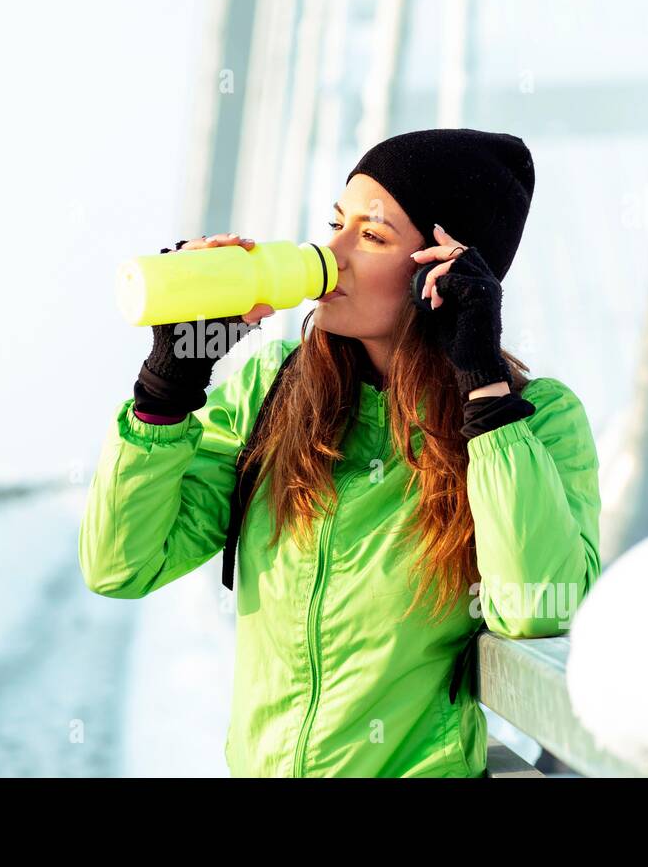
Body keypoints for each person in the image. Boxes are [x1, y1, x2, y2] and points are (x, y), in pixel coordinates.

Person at [79, 128, 601, 777]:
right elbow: (122, 566)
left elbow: (538, 606)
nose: (333, 253)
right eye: (336, 224)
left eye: (372, 236)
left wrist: (486, 397)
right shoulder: (272, 390)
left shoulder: (537, 419)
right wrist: (168, 387)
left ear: (445, 270)